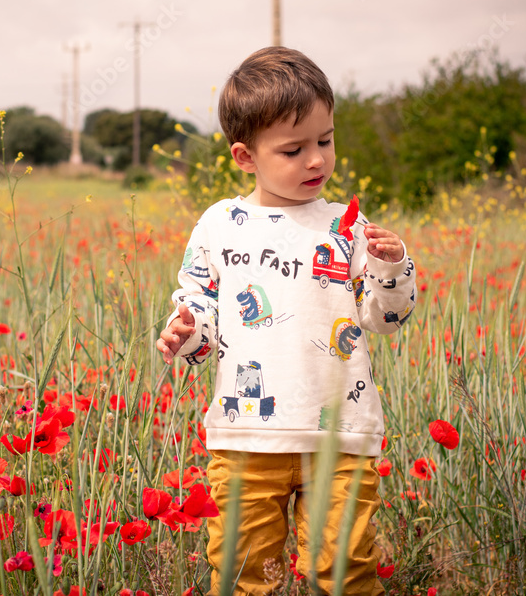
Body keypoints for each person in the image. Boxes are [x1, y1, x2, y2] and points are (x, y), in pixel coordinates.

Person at [157, 47, 417, 595]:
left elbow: (384, 318)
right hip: (246, 434)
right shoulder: (221, 224)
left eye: (325, 140)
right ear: (245, 156)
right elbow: (201, 307)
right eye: (294, 149)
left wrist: (392, 267)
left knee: (344, 574)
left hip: (339, 436)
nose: (317, 160)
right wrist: (185, 330)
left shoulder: (347, 225)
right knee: (244, 577)